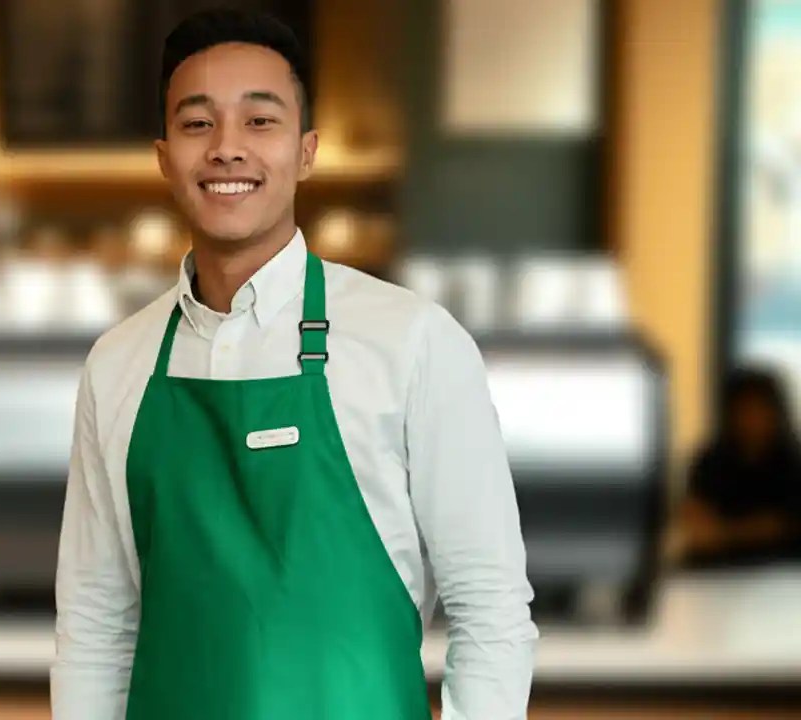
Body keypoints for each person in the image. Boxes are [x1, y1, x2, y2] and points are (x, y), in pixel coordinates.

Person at [52, 10, 537, 720]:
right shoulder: (117, 365)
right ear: (163, 156)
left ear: (306, 151)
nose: (226, 149)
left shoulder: (413, 342)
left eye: (260, 121)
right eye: (197, 124)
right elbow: (98, 625)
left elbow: (491, 607)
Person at [677, 367, 801, 566]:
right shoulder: (710, 459)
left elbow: (779, 525)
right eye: (744, 409)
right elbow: (695, 518)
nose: (752, 418)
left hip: (781, 568)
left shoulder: (793, 460)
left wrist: (724, 533)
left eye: (760, 409)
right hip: (715, 568)